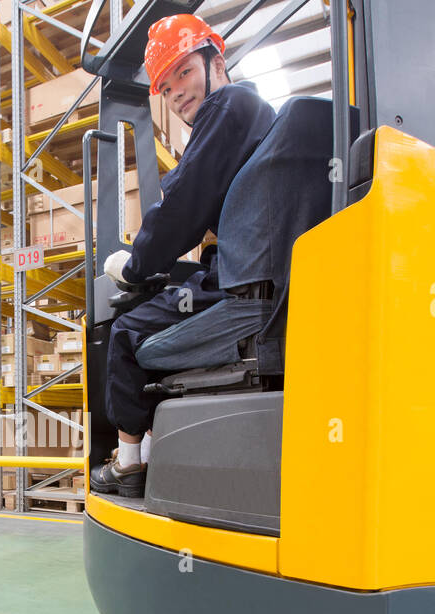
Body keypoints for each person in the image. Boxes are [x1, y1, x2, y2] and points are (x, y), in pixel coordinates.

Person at [89, 13, 277, 498]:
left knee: (126, 330)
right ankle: (154, 444)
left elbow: (180, 207)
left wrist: (134, 266)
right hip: (250, 277)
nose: (177, 93)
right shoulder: (255, 115)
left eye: (185, 72)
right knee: (171, 299)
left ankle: (129, 462)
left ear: (217, 60)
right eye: (167, 88)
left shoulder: (230, 106)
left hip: (243, 293)